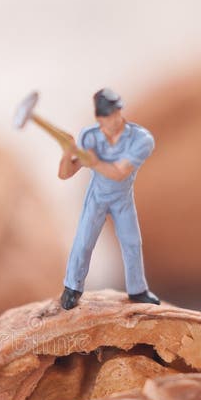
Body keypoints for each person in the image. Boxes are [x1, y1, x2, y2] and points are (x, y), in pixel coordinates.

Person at [59, 87, 160, 310]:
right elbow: (66, 173)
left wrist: (93, 161)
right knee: (84, 242)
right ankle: (72, 288)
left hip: (122, 198)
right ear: (99, 118)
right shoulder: (89, 137)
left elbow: (119, 172)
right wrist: (68, 152)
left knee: (132, 243)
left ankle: (137, 290)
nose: (113, 120)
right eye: (107, 116)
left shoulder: (140, 139)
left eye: (116, 113)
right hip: (97, 197)